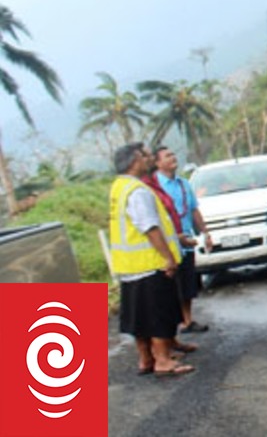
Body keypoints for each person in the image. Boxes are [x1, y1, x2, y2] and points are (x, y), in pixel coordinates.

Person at [109, 142, 194, 376]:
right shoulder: (137, 191)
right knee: (158, 315)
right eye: (145, 155)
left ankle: (146, 358)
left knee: (139, 317)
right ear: (135, 161)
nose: (149, 159)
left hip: (129, 266)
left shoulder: (119, 187)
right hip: (149, 263)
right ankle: (164, 361)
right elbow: (150, 227)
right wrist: (168, 257)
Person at [154, 145, 213, 333]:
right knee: (171, 287)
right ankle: (173, 326)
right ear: (157, 163)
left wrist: (205, 232)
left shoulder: (184, 184)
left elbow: (194, 209)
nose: (173, 158)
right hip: (168, 243)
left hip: (187, 241)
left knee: (187, 284)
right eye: (167, 156)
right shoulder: (156, 187)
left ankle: (187, 320)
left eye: (173, 154)